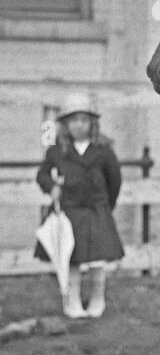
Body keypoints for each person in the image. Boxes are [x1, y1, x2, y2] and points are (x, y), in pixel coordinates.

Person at [35, 92, 124, 318]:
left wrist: (105, 207)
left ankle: (97, 299)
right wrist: (52, 187)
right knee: (71, 259)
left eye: (84, 120)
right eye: (73, 120)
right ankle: (72, 301)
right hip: (70, 212)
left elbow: (115, 181)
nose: (79, 125)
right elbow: (42, 174)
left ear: (92, 123)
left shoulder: (104, 151)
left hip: (96, 211)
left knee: (96, 261)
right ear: (65, 124)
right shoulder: (57, 151)